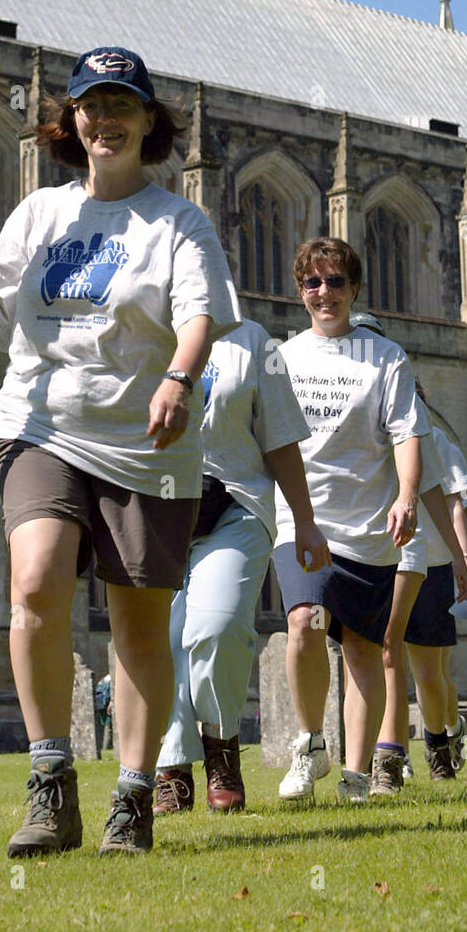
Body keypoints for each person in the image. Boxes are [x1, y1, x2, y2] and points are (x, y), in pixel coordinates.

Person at [0, 46, 240, 856]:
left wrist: (180, 377)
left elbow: (200, 314)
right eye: (89, 106)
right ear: (70, 121)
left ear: (150, 121)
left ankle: (134, 795)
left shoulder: (179, 221)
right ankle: (51, 783)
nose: (103, 119)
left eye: (121, 105)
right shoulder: (39, 212)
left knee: (138, 625)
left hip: (146, 438)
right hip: (40, 424)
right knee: (35, 580)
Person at [272, 238, 467, 804]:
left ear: (354, 288)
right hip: (303, 519)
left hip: (371, 527)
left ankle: (357, 775)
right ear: (301, 291)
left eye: (335, 282)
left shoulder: (387, 358)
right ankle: (311, 744)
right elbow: (269, 437)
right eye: (313, 283)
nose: (324, 292)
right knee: (305, 622)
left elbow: (410, 435)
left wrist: (406, 497)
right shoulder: (283, 357)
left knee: (364, 648)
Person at [153, 318, 329, 815]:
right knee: (163, 638)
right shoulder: (139, 322)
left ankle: (222, 747)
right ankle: (170, 771)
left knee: (219, 624)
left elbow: (279, 436)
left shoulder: (253, 340)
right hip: (155, 505)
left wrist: (305, 521)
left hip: (235, 502)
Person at [372, 380, 467, 795]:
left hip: (431, 564)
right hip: (381, 560)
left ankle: (438, 745)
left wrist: (463, 561)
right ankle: (390, 753)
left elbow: (454, 505)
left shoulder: (438, 443)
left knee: (429, 674)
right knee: (385, 656)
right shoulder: (368, 437)